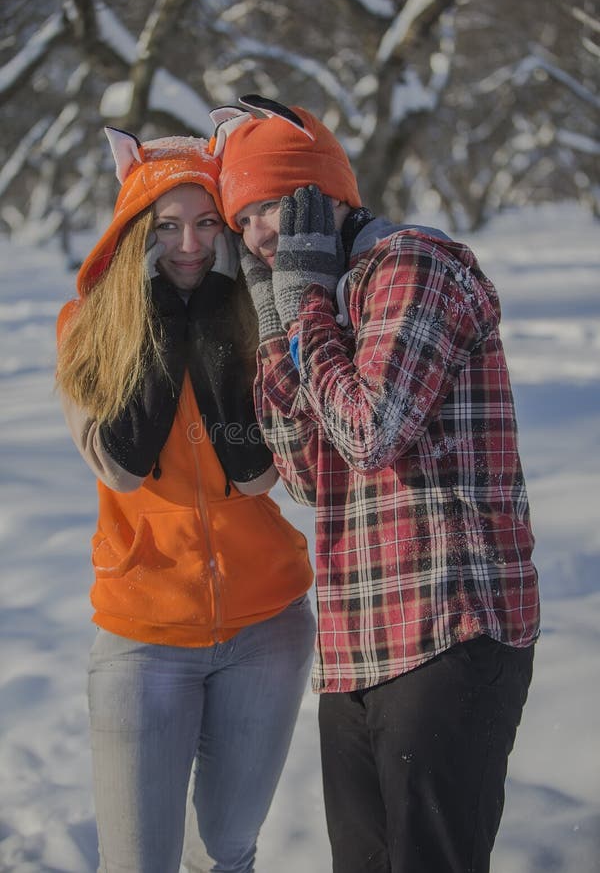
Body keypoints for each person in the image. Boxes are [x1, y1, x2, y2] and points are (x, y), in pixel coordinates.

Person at [209, 94, 541, 873]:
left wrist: (305, 313)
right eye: (243, 221)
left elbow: (370, 430)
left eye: (272, 209)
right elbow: (309, 476)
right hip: (359, 640)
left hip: (448, 626)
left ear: (321, 201)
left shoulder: (413, 264)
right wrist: (278, 336)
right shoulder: (321, 297)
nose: (259, 237)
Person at [55, 127, 316, 873]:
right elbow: (122, 466)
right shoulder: (86, 329)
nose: (190, 245)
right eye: (166, 226)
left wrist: (222, 333)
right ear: (136, 233)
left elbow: (263, 474)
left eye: (206, 223)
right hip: (145, 636)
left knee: (228, 852)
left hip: (268, 626)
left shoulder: (254, 316)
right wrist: (163, 328)